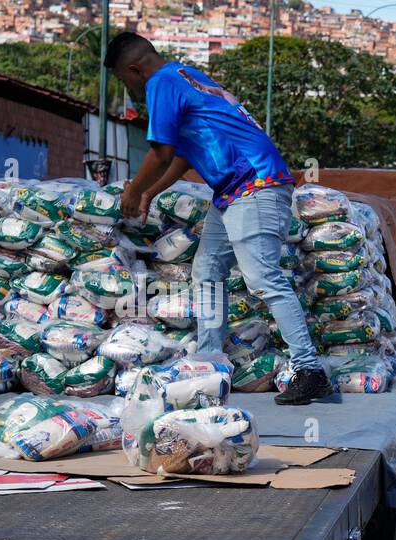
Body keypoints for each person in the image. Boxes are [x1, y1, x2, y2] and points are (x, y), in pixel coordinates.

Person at [105, 32, 330, 405]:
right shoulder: (187, 75)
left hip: (255, 183)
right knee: (207, 270)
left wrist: (131, 192)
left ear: (133, 69)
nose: (127, 86)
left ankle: (310, 370)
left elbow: (160, 153)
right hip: (232, 191)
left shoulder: (159, 82)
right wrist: (149, 193)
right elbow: (184, 155)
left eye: (122, 79)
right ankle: (210, 361)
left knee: (263, 279)